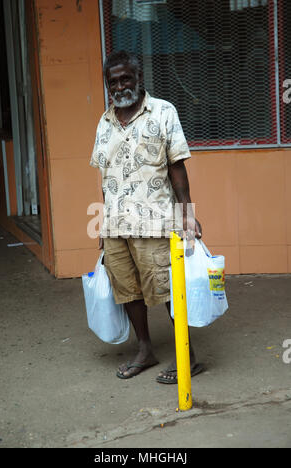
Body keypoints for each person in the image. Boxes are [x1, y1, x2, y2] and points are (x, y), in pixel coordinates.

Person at [90, 50, 205, 382]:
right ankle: (145, 350)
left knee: (168, 289)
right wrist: (102, 221)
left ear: (138, 77)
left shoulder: (163, 112)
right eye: (114, 81)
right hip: (115, 224)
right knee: (127, 290)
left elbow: (177, 166)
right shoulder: (105, 121)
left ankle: (188, 356)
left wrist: (187, 214)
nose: (121, 85)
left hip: (154, 222)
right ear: (108, 85)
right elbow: (106, 176)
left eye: (126, 78)